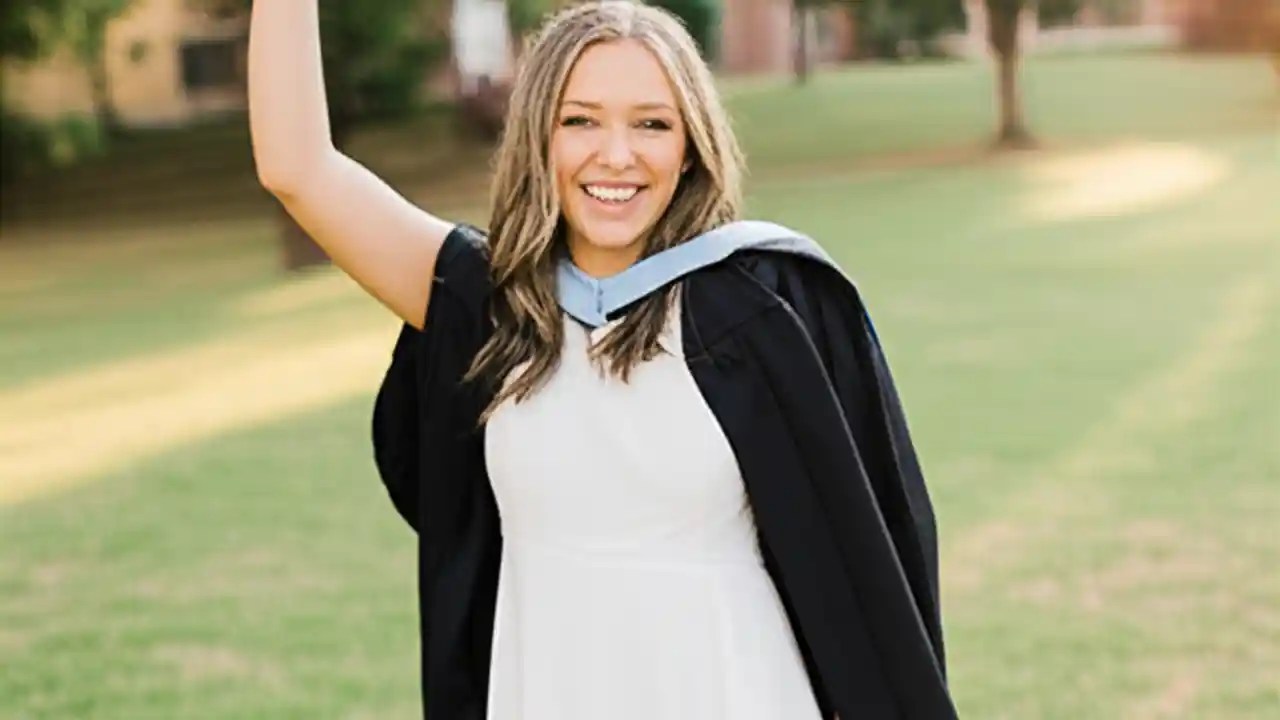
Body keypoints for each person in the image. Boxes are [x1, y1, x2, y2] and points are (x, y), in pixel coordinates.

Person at [248, 1, 957, 718]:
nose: (616, 155)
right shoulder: (489, 305)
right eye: (580, 120)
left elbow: (873, 560)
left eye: (652, 123)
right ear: (538, 138)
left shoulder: (762, 309)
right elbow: (296, 168)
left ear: (690, 147)